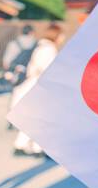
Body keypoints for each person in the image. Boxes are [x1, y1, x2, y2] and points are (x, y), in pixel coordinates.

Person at [11, 24, 62, 157]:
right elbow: (48, 70)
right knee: (41, 119)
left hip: (30, 86)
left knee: (34, 119)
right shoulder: (49, 48)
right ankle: (37, 148)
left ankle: (23, 145)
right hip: (40, 88)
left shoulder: (39, 45)